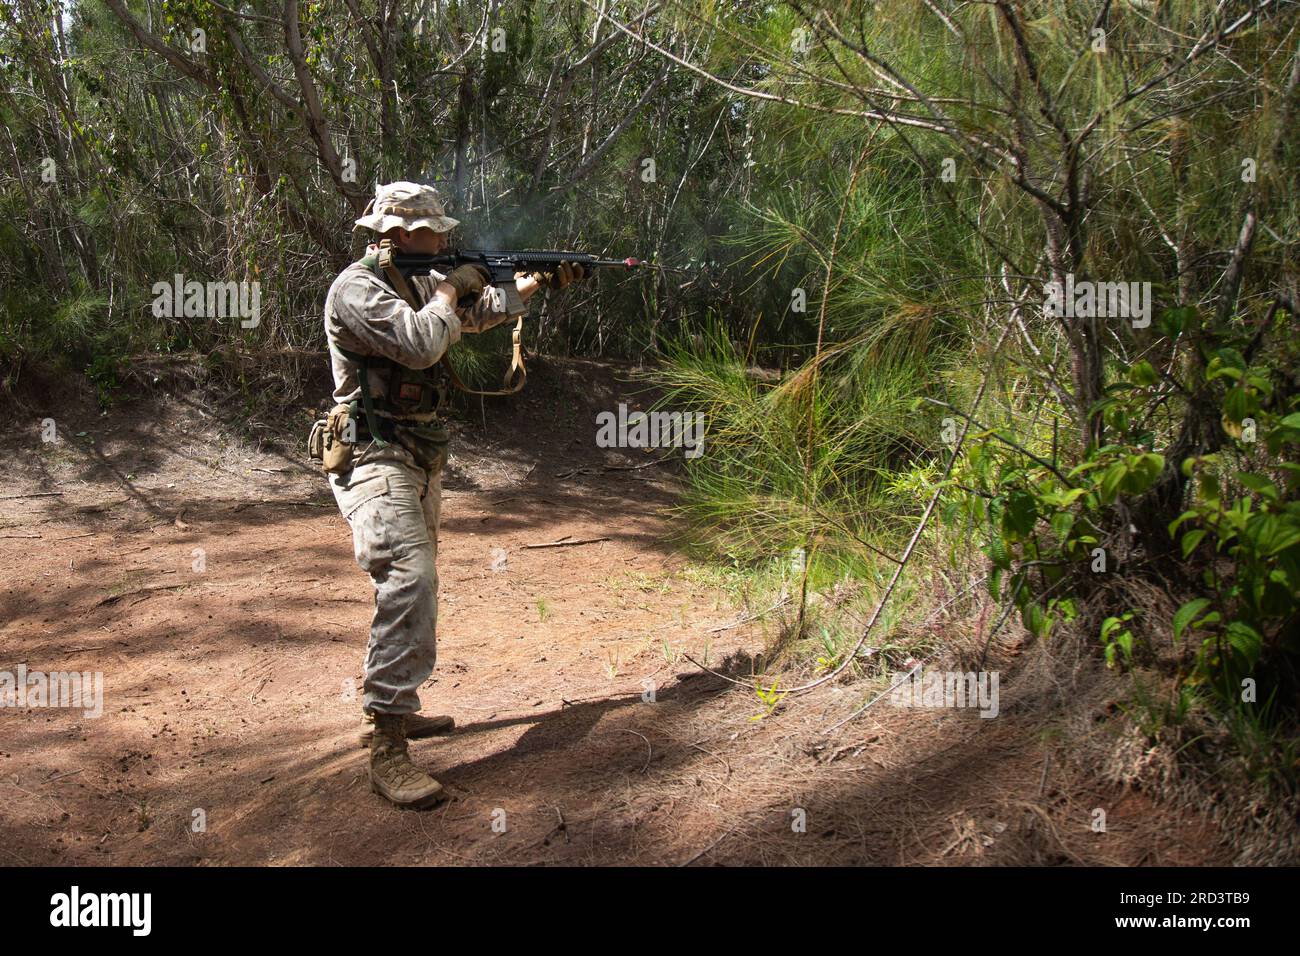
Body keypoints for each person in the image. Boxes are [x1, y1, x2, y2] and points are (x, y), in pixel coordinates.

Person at [323, 181, 587, 808]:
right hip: (371, 452)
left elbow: (474, 315)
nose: (445, 240)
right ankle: (386, 740)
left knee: (415, 581)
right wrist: (450, 285)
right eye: (433, 232)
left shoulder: (421, 280)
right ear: (397, 234)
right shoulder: (355, 289)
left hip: (420, 451)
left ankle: (398, 704)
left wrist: (532, 285)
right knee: (408, 579)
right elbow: (421, 342)